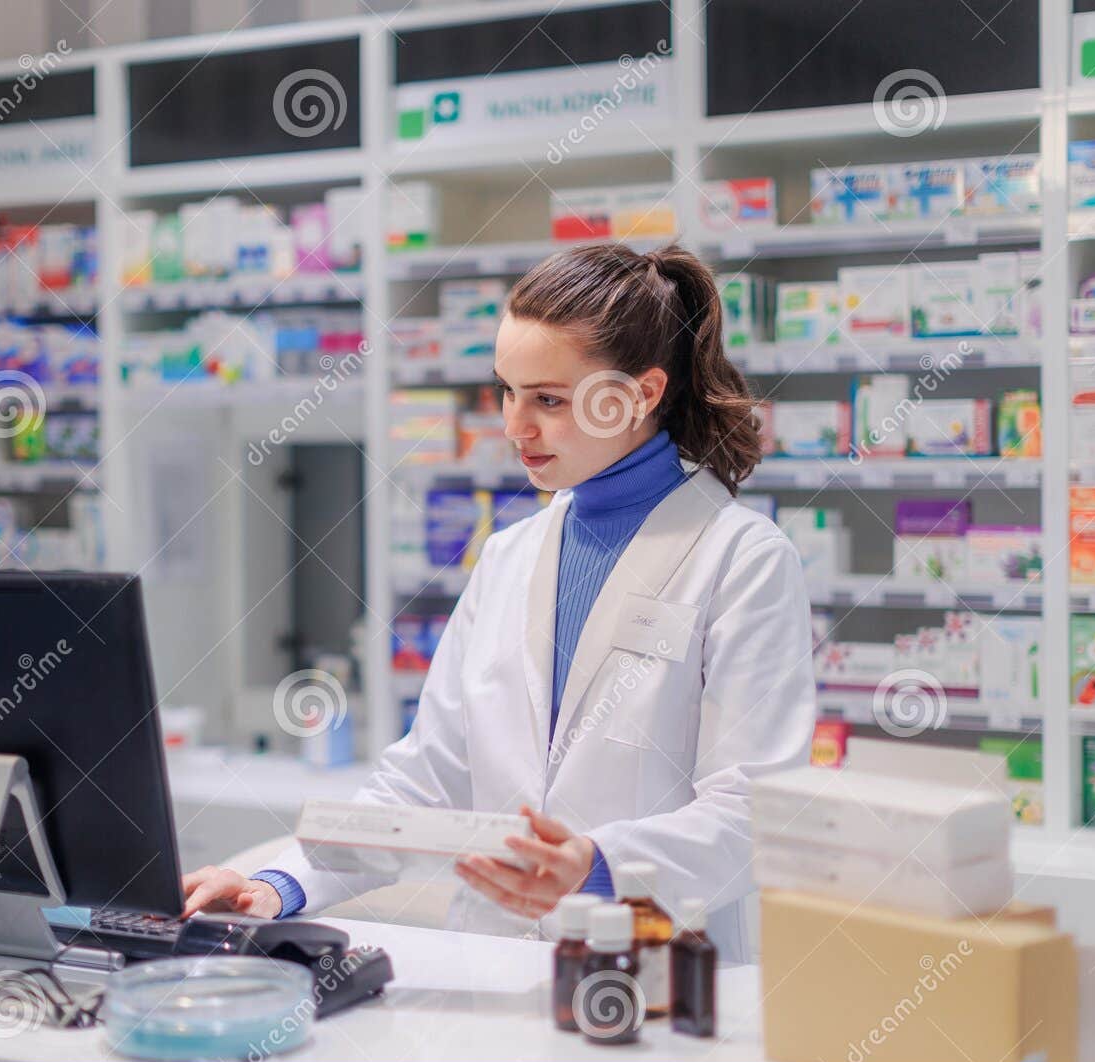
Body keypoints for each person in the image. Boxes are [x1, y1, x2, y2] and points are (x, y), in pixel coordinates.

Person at [180, 240, 816, 961]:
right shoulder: (510, 557)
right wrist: (278, 883)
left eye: (548, 399)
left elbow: (754, 813)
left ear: (639, 394)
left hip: (659, 969)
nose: (515, 426)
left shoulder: (742, 559)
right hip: (496, 964)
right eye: (507, 391)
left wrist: (598, 867)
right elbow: (425, 779)